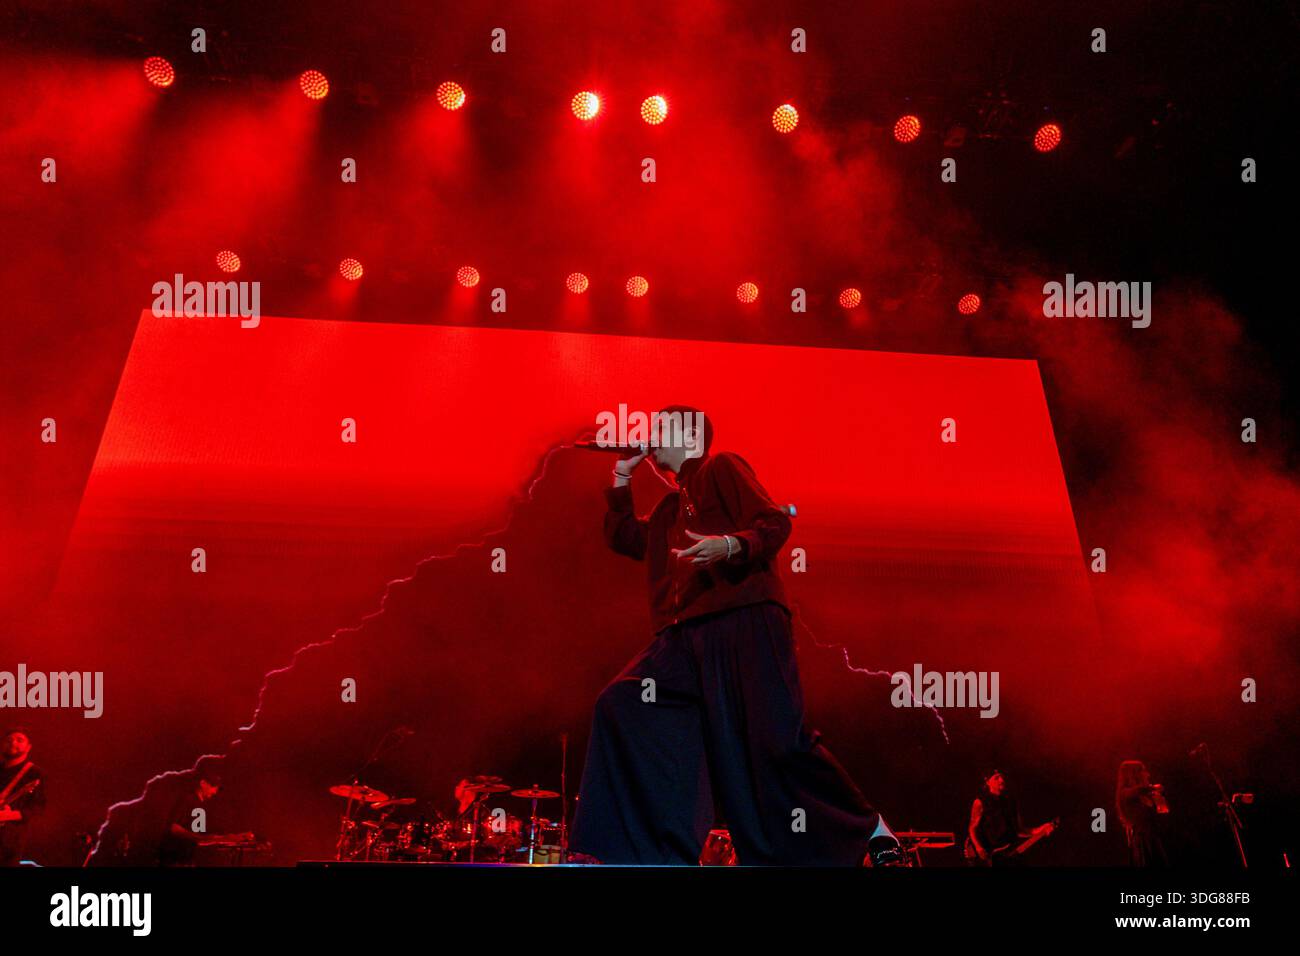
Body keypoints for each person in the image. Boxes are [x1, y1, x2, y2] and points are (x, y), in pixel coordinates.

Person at [571, 406, 903, 866]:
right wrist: (621, 475)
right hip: (684, 637)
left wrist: (730, 544)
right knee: (622, 703)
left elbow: (774, 522)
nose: (648, 437)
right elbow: (628, 538)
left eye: (659, 428)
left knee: (775, 742)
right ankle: (657, 851)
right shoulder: (670, 506)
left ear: (688, 436)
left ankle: (868, 827)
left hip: (745, 617)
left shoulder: (721, 467)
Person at [157, 766, 253, 866]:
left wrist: (233, 837)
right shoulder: (187, 799)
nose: (215, 791)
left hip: (187, 858)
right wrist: (199, 837)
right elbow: (174, 828)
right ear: (203, 783)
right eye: (213, 786)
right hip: (175, 859)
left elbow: (202, 833)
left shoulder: (201, 804)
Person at [964, 769, 1054, 865]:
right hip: (986, 855)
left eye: (1001, 776)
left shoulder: (1010, 801)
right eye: (996, 778)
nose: (1001, 780)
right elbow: (972, 828)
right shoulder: (980, 802)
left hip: (1004, 853)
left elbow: (1019, 831)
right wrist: (979, 848)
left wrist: (1041, 829)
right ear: (987, 782)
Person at [0, 728, 46, 866]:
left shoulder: (33, 773)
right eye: (9, 740)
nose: (13, 742)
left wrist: (8, 815)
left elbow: (37, 808)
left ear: (28, 747)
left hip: (7, 843)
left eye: (19, 740)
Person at [1116, 759, 1169, 867]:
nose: (1148, 774)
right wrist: (1151, 787)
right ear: (1135, 774)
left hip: (1154, 838)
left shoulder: (1145, 796)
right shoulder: (1125, 793)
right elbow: (1135, 791)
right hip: (1143, 842)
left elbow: (1161, 815)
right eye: (1144, 771)